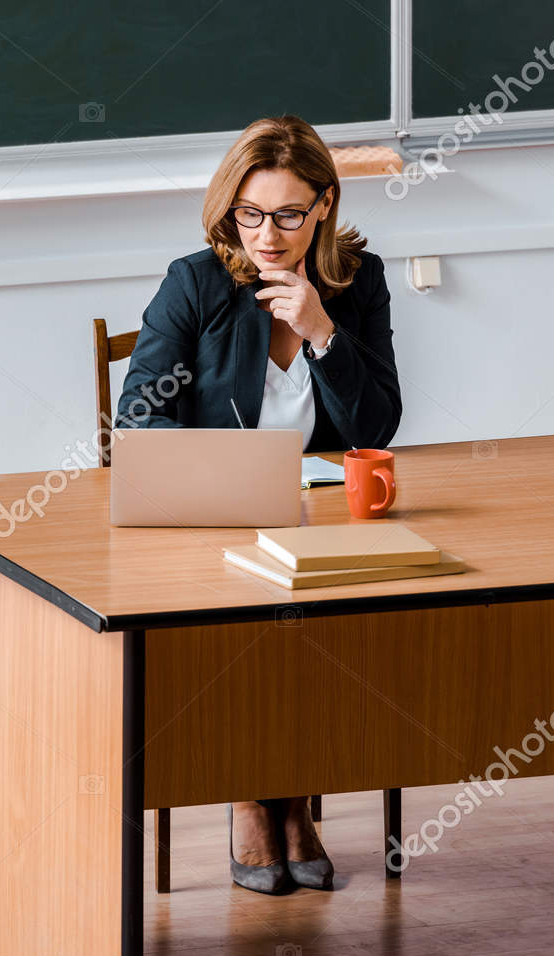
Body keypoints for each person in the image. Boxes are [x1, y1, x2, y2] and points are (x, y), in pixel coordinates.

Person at [114, 115, 402, 895]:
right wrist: (214, 471)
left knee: (341, 618)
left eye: (286, 215)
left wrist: (322, 334)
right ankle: (260, 798)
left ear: (323, 208)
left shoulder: (357, 280)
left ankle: (286, 794)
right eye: (249, 214)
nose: (266, 236)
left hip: (318, 522)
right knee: (251, 619)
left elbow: (377, 425)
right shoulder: (196, 282)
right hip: (213, 519)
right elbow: (138, 411)